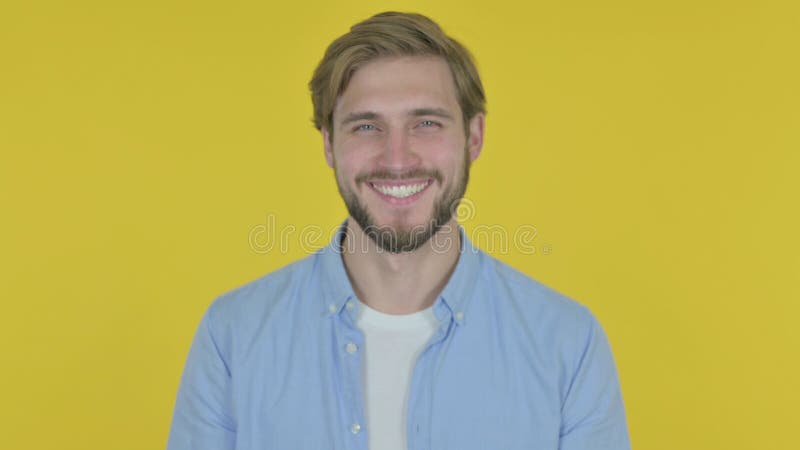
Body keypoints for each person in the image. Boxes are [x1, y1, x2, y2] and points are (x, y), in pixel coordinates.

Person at [167, 11, 630, 450]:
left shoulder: (568, 345)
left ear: (474, 137)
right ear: (329, 144)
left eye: (426, 123)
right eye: (366, 126)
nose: (396, 159)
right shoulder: (232, 336)